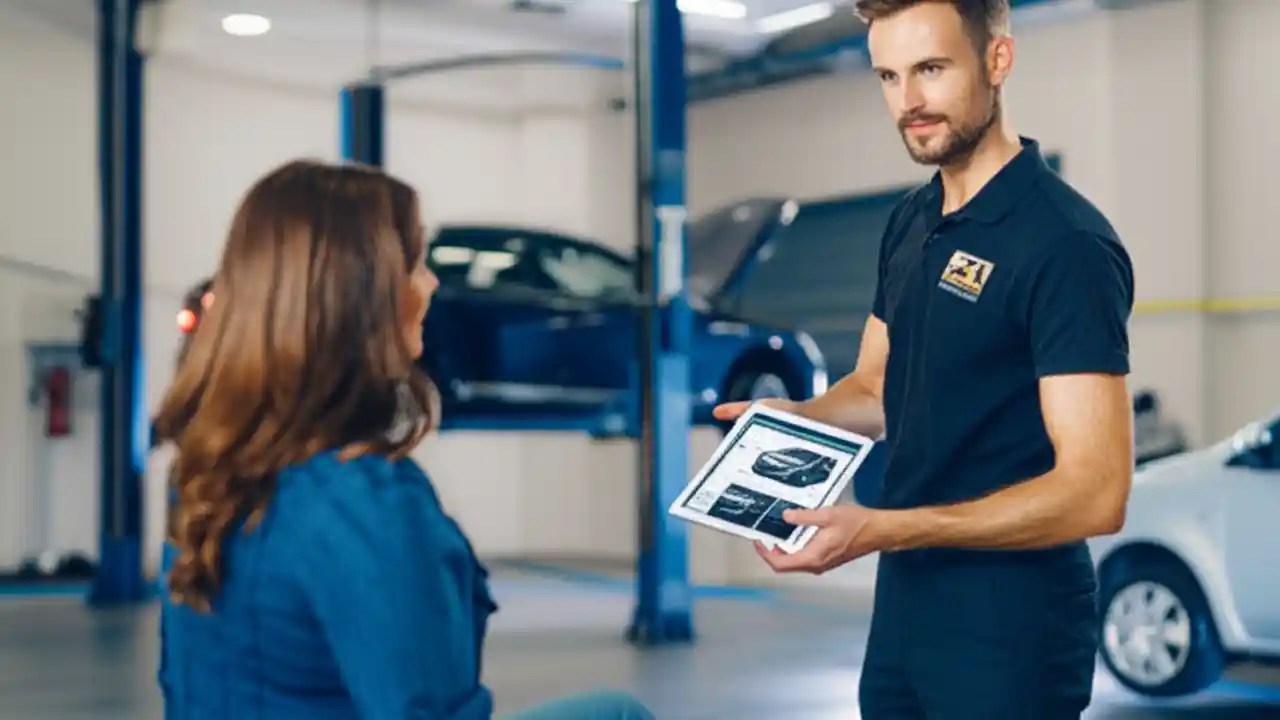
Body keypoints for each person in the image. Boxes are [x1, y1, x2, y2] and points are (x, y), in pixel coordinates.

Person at [714, 0, 1135, 717]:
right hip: (906, 604)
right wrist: (797, 417)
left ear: (997, 60)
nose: (907, 100)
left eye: (931, 69)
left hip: (1012, 622)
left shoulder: (1064, 244)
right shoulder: (911, 220)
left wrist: (886, 527)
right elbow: (877, 387)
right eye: (888, 76)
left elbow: (1096, 493)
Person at [154, 159, 654, 720]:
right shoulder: (367, 505)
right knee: (619, 715)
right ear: (359, 297)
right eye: (416, 264)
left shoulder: (209, 476)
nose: (432, 284)